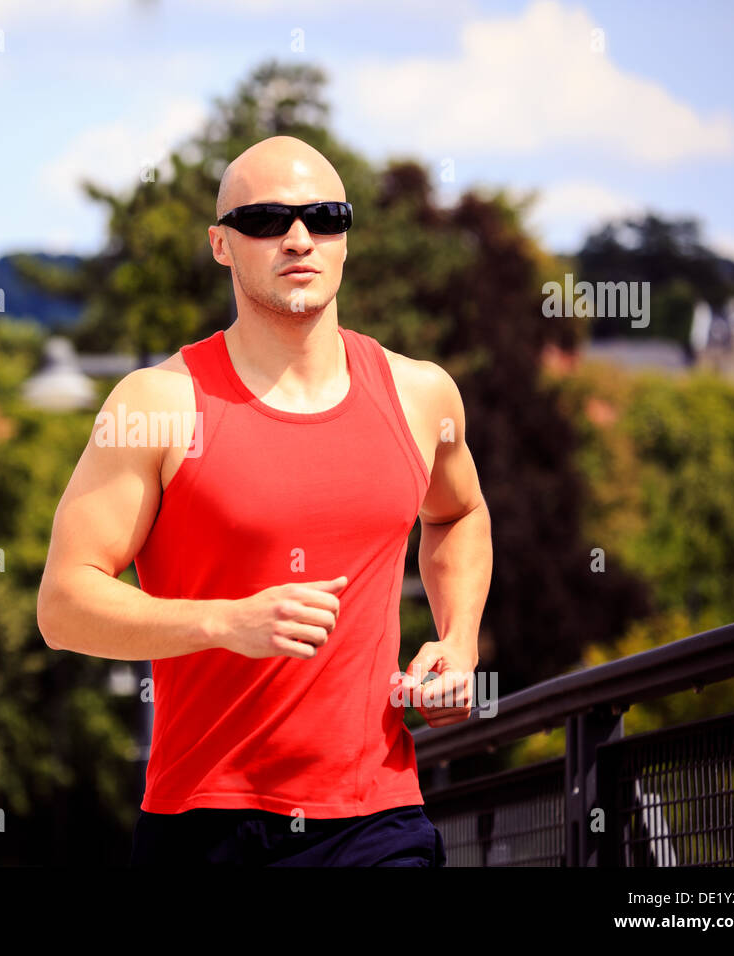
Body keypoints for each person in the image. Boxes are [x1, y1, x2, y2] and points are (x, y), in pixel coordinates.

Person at [36, 135, 493, 866]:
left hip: (376, 817)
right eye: (267, 221)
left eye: (325, 216)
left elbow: (459, 514)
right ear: (222, 245)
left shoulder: (419, 393)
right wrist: (226, 620)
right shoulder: (158, 402)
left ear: (347, 237)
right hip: (208, 822)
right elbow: (63, 606)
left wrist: (459, 642)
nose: (300, 238)